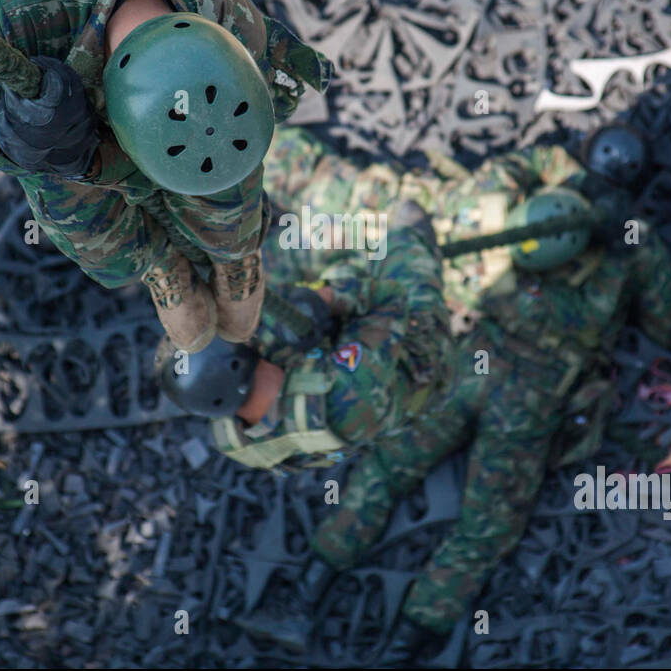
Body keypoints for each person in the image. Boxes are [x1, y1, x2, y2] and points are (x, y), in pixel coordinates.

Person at [264, 124, 671, 663]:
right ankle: (399, 649)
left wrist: (553, 182)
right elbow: (669, 329)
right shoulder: (637, 242)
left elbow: (507, 171)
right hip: (534, 396)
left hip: (470, 360)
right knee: (485, 528)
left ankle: (302, 597)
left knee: (388, 467)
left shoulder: (538, 192)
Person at [0, 0, 331, 353]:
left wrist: (233, 232)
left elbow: (258, 111)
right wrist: (11, 135)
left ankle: (235, 256)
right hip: (60, 141)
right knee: (101, 244)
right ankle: (162, 266)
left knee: (228, 201)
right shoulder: (12, 12)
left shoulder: (227, 17)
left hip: (188, 118)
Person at [156, 201, 453, 472]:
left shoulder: (232, 430)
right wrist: (322, 298)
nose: (244, 335)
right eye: (234, 337)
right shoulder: (348, 390)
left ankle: (335, 248)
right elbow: (388, 298)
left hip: (319, 370)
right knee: (402, 245)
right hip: (405, 368)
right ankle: (395, 247)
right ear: (237, 361)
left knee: (265, 269)